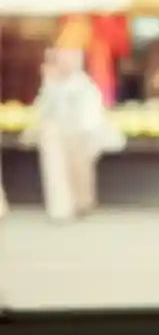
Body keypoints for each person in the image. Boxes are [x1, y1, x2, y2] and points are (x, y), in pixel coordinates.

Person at [22, 47, 122, 222]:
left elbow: (92, 114)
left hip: (80, 132)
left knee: (80, 172)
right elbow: (42, 110)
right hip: (56, 132)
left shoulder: (84, 84)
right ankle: (61, 208)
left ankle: (82, 203)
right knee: (55, 170)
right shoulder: (51, 84)